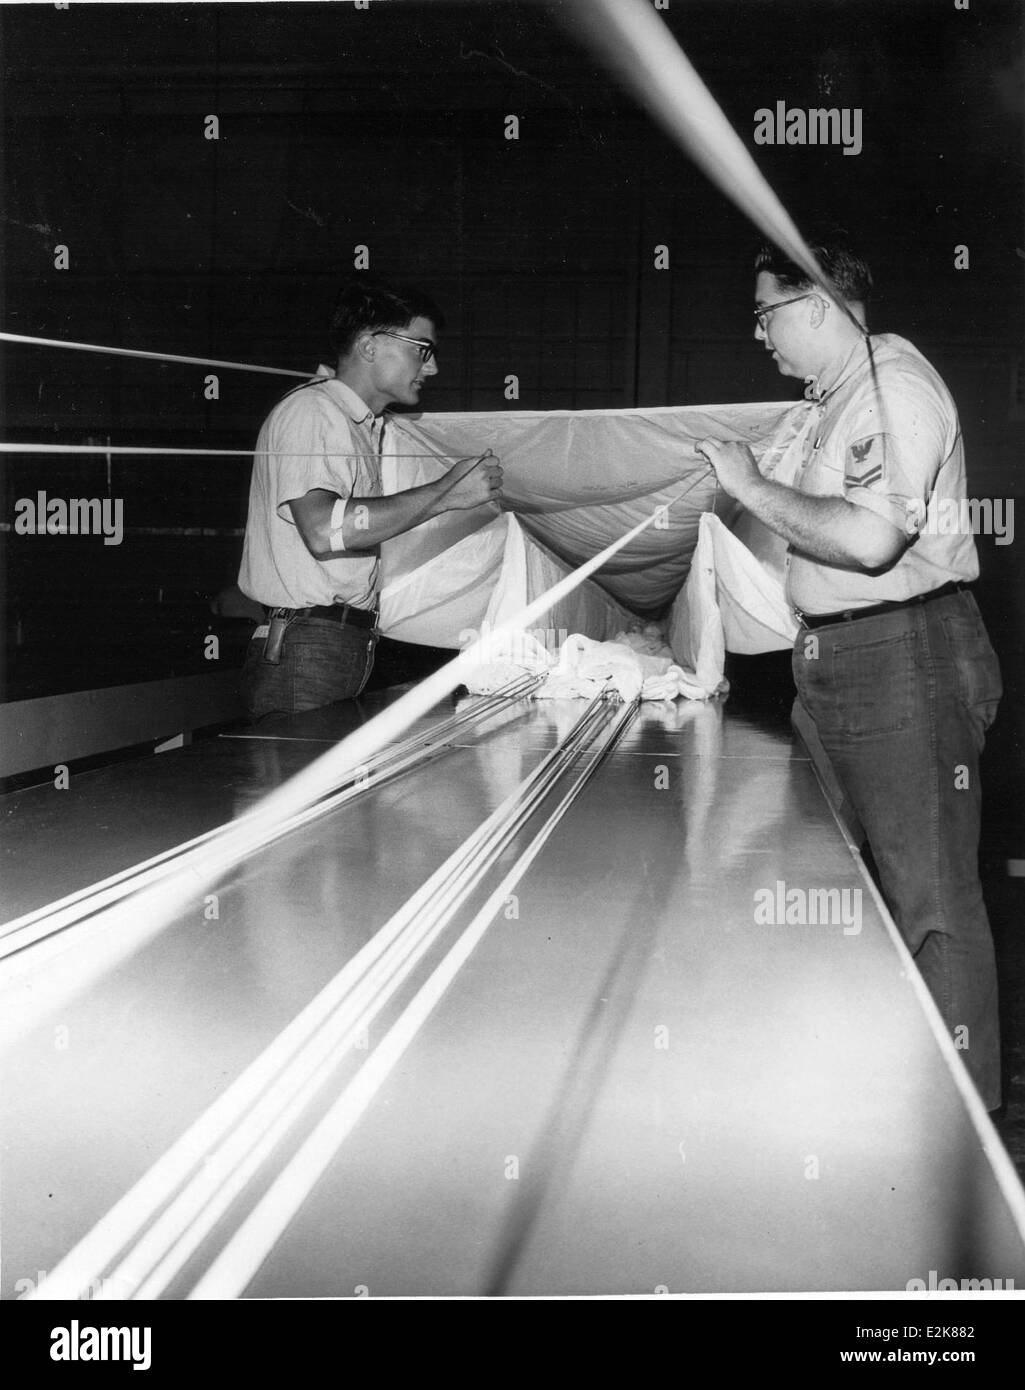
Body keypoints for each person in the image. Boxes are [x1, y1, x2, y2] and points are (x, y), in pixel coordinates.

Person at [696, 237, 1003, 1110]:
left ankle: (960, 1129)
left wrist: (749, 485)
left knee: (930, 897)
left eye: (765, 314)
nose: (758, 333)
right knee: (815, 884)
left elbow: (870, 541)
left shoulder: (892, 391)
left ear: (818, 305)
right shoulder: (831, 403)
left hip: (902, 656)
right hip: (839, 662)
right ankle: (851, 1095)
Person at [238, 279, 502, 716]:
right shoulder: (314, 412)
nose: (431, 368)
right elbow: (324, 529)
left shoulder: (359, 425)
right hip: (309, 647)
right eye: (422, 349)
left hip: (337, 643)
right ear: (369, 345)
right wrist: (444, 494)